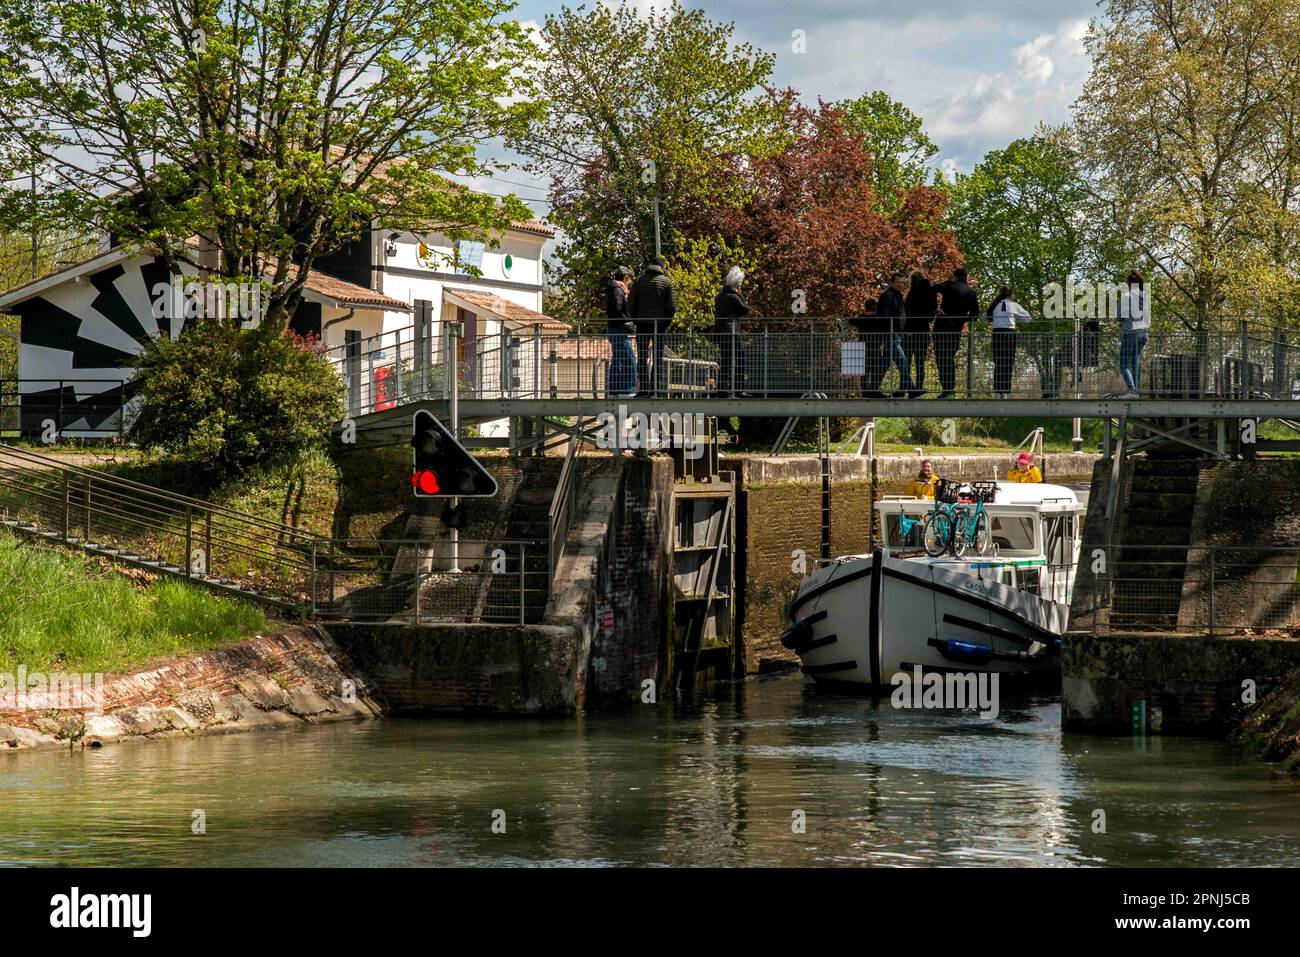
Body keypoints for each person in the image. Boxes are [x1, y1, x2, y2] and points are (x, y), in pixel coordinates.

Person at [628, 256, 676, 396]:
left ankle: (643, 389)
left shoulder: (638, 281)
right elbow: (671, 306)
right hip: (659, 325)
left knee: (642, 357)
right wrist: (667, 321)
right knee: (658, 357)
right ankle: (656, 390)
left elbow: (631, 303)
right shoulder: (666, 282)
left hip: (642, 324)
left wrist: (635, 319)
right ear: (662, 267)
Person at [931, 267, 979, 398]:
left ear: (955, 276)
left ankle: (946, 389)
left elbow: (932, 289)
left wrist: (936, 307)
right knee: (949, 358)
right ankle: (950, 389)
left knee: (941, 358)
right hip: (955, 329)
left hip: (941, 327)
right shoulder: (971, 292)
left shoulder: (949, 285)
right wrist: (962, 318)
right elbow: (975, 316)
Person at [876, 271, 916, 397]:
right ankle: (911, 388)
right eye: (898, 282)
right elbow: (883, 317)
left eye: (902, 282)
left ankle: (871, 389)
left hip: (899, 335)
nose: (901, 284)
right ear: (891, 282)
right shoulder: (887, 296)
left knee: (884, 364)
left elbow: (903, 315)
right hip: (891, 336)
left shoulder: (898, 296)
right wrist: (884, 337)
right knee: (902, 361)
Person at [987, 285, 1029, 399]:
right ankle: (1006, 391)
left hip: (997, 334)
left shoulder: (994, 305)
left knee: (998, 363)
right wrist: (1014, 318)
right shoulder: (1013, 305)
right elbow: (1027, 317)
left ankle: (997, 391)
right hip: (1009, 335)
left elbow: (986, 317)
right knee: (1008, 362)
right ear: (1010, 295)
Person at [713, 265, 749, 396]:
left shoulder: (718, 297)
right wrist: (740, 293)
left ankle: (722, 389)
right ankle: (739, 389)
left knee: (726, 360)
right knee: (740, 358)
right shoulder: (734, 297)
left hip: (720, 332)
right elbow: (745, 309)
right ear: (737, 283)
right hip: (732, 332)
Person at [903, 270, 937, 398]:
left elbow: (907, 311)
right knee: (919, 361)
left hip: (911, 330)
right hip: (923, 329)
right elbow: (932, 311)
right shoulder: (930, 291)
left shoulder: (911, 293)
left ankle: (904, 387)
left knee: (906, 360)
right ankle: (918, 387)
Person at [604, 266, 636, 397]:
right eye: (629, 281)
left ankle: (614, 391)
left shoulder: (613, 288)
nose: (629, 284)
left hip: (613, 328)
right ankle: (628, 391)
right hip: (618, 329)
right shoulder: (618, 290)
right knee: (630, 360)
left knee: (618, 360)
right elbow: (618, 310)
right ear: (626, 278)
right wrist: (628, 321)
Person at [1118, 269, 1150, 398]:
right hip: (1143, 332)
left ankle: (1132, 390)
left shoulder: (1127, 296)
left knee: (1124, 363)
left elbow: (1119, 315)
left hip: (1130, 332)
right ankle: (1136, 391)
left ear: (1130, 284)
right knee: (1135, 361)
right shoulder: (1144, 295)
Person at [849, 297, 889, 397]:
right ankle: (874, 390)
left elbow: (850, 321)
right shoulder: (878, 318)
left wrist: (863, 314)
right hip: (875, 347)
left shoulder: (861, 319)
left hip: (863, 347)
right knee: (878, 370)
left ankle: (865, 392)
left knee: (864, 372)